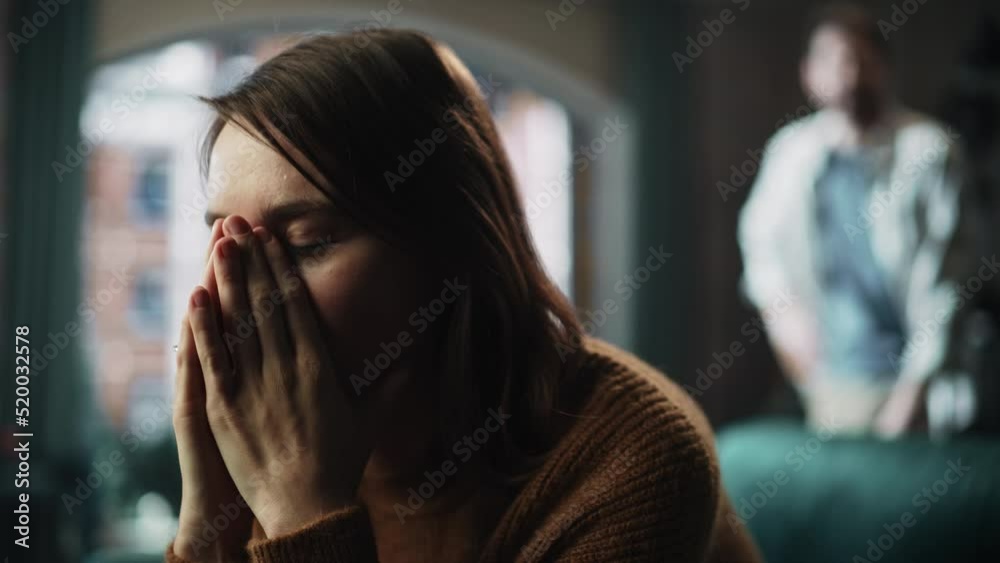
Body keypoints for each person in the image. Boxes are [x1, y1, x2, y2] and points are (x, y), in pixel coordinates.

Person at [166, 30, 762, 563]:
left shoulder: (630, 461)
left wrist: (304, 511)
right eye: (227, 245)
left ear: (449, 246)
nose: (244, 295)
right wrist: (207, 533)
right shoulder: (260, 451)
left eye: (307, 243)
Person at [737, 3, 977, 435]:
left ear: (883, 68)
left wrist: (914, 392)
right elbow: (759, 242)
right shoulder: (791, 153)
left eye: (859, 59)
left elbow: (948, 282)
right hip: (830, 385)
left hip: (910, 388)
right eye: (831, 59)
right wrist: (782, 315)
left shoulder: (929, 151)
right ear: (809, 73)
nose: (847, 73)